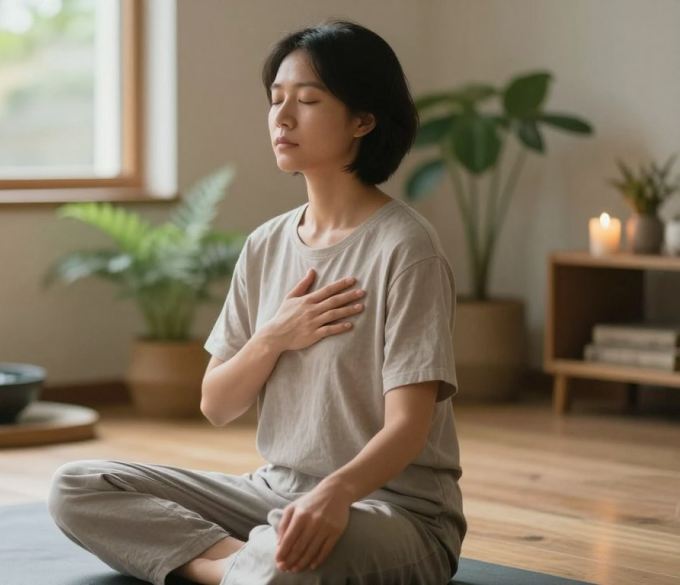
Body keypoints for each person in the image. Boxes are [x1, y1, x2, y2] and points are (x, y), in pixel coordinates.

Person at [48, 18, 467, 585]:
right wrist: (275, 335)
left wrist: (335, 496)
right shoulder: (266, 244)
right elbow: (216, 404)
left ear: (363, 120)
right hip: (273, 493)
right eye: (276, 101)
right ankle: (227, 567)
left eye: (308, 100)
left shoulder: (406, 248)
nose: (283, 118)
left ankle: (254, 562)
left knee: (288, 556)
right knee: (78, 486)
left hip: (391, 512)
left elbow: (409, 430)